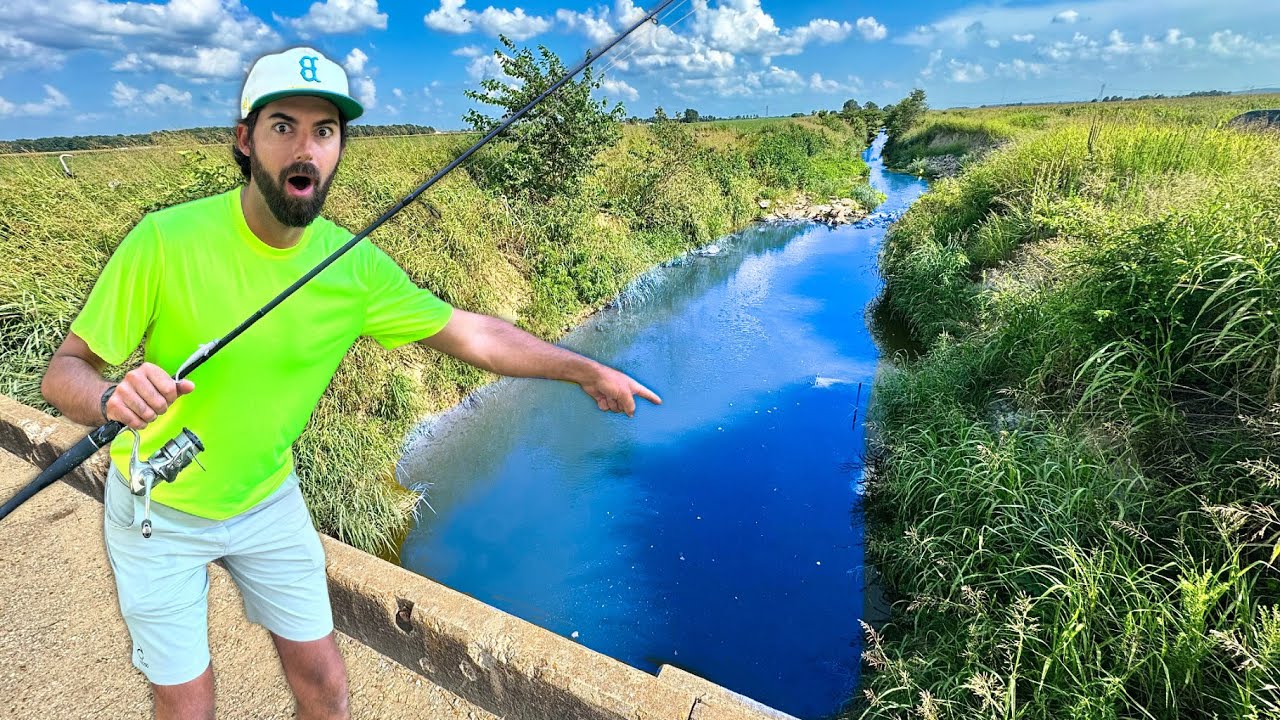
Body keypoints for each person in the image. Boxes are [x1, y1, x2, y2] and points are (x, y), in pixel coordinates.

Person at [39, 47, 661, 720]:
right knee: (186, 705)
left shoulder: (354, 269)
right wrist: (110, 397)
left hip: (266, 501)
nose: (304, 148)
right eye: (283, 126)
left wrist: (583, 367)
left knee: (326, 687)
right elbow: (62, 372)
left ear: (339, 147)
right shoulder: (164, 241)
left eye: (324, 130)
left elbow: (472, 333)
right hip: (156, 509)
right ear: (245, 140)